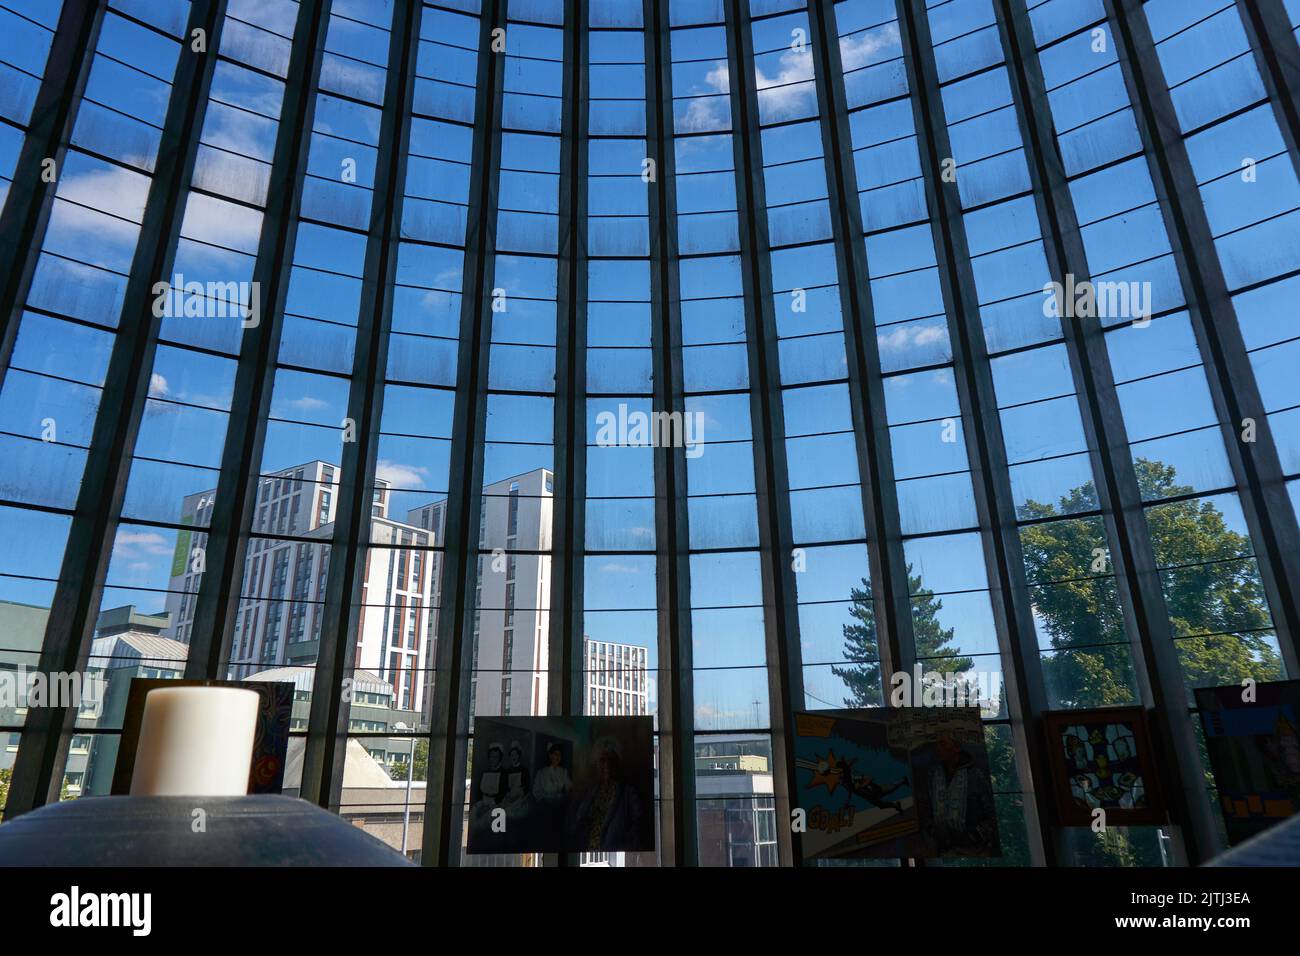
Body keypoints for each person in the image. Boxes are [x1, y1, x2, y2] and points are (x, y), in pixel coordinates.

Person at [566, 736, 645, 852]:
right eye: (602, 760)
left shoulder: (628, 793)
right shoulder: (589, 792)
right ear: (597, 764)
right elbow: (576, 823)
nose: (607, 765)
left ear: (617, 763)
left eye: (611, 760)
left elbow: (638, 824)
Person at [925, 733, 996, 856]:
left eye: (942, 744)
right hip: (942, 848)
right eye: (936, 745)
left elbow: (991, 813)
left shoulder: (975, 776)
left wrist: (975, 836)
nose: (938, 748)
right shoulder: (933, 776)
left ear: (957, 747)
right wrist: (933, 832)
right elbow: (926, 808)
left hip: (973, 849)